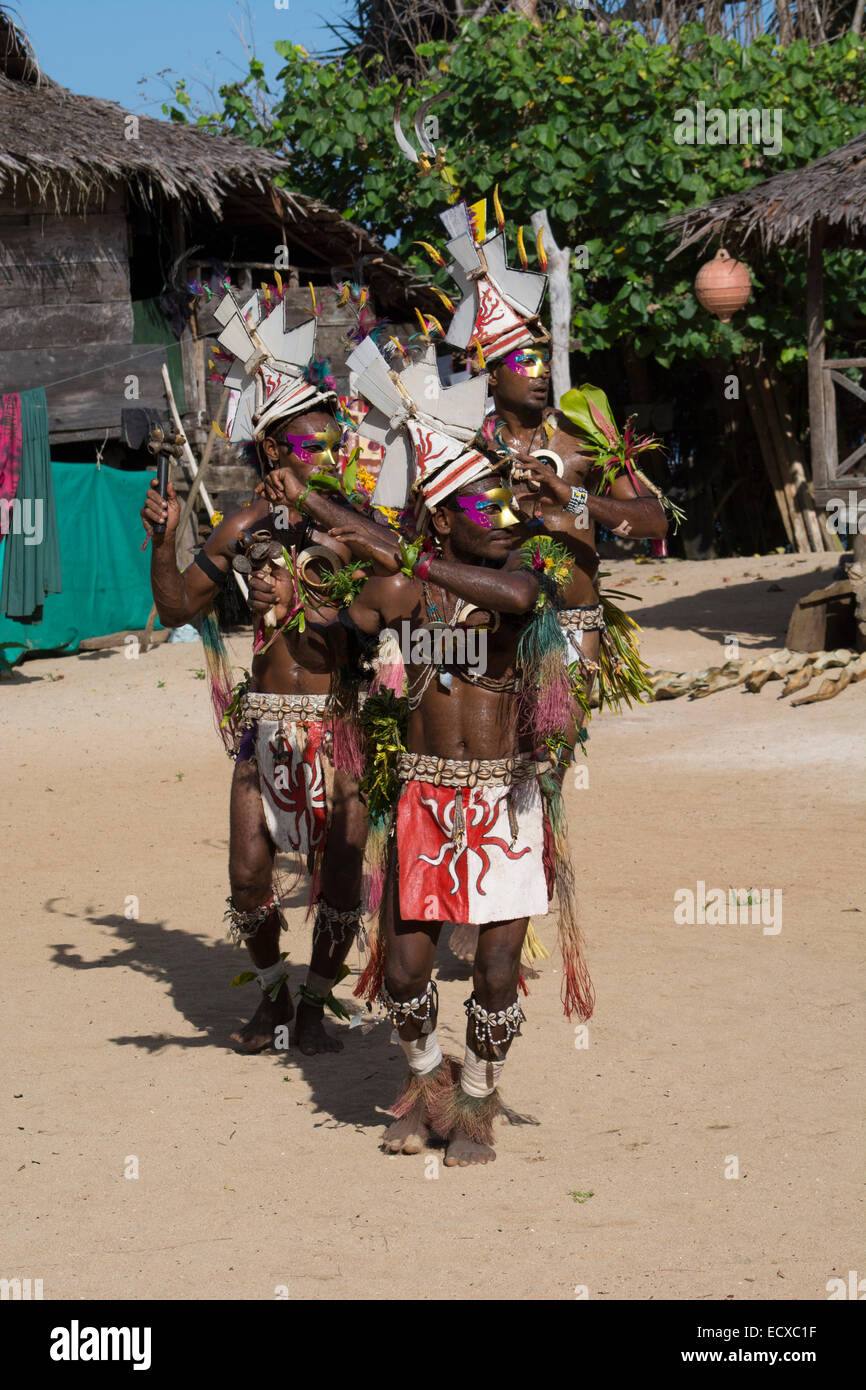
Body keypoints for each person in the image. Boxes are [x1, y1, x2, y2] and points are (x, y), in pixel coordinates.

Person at [258, 337, 592, 1167]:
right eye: (488, 508)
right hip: (420, 802)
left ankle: (476, 1102)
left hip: (505, 800)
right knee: (406, 974)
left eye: (508, 507)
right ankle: (427, 1080)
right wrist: (311, 549)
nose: (509, 519)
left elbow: (516, 595)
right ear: (442, 515)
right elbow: (335, 634)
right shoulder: (402, 592)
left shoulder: (522, 576)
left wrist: (398, 548)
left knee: (498, 971)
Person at [141, 288, 370, 1056]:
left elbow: (389, 611)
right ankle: (273, 998)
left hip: (337, 730)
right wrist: (165, 540)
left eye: (334, 443)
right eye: (312, 446)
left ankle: (315, 1005)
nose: (330, 455)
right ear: (272, 450)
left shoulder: (357, 525)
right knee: (247, 880)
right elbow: (177, 609)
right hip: (265, 732)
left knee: (340, 883)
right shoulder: (243, 527)